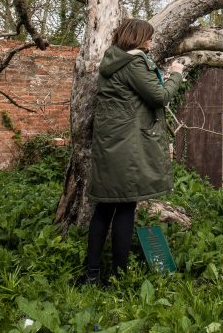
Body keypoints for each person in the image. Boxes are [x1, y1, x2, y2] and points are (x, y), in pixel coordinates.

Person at [80, 18, 184, 286]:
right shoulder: (134, 63)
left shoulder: (113, 61)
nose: (151, 42)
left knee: (104, 208)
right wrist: (176, 74)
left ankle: (92, 273)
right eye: (148, 37)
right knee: (126, 206)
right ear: (138, 38)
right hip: (126, 146)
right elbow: (159, 97)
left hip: (109, 144)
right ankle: (119, 274)